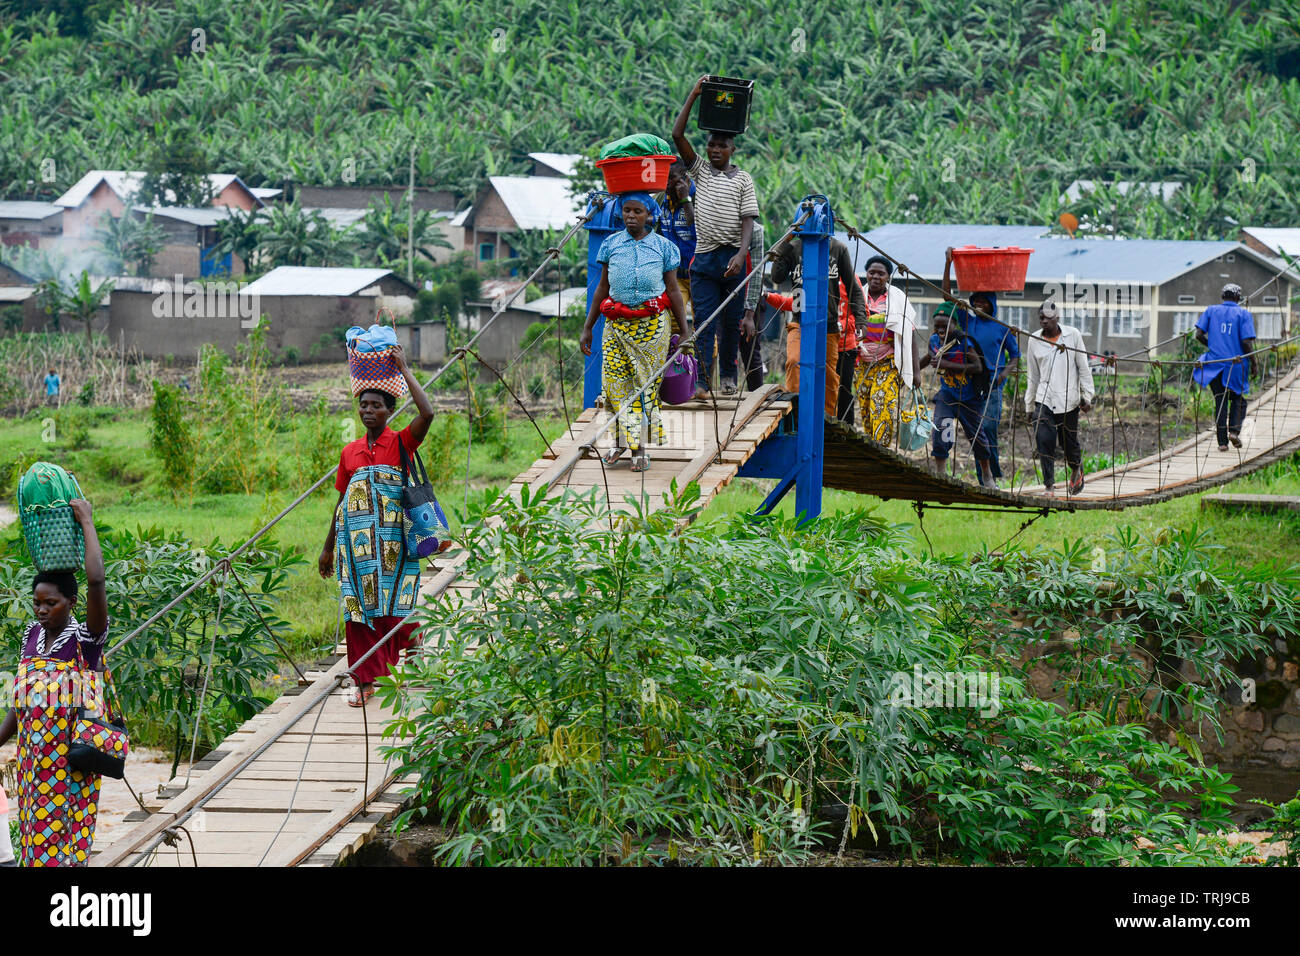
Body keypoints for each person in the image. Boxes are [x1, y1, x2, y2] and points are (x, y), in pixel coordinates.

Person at [319, 344, 435, 708]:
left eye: (376, 406)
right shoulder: (349, 452)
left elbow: (428, 413)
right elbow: (341, 502)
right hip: (355, 550)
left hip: (394, 545)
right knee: (357, 610)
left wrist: (404, 368)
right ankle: (364, 680)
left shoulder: (401, 443)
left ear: (389, 411)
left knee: (393, 605)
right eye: (364, 405)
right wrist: (327, 547)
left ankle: (411, 639)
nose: (368, 411)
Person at [0, 498, 108, 866]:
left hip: (71, 770)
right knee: (33, 851)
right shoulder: (31, 637)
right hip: (32, 768)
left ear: (72, 602)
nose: (42, 610)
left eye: (51, 603)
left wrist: (86, 521)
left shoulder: (86, 641)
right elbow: (21, 704)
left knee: (63, 855)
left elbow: (96, 579)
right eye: (37, 603)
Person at [580, 192, 689, 473]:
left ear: (649, 215)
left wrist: (686, 331)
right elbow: (602, 289)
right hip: (616, 326)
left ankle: (639, 447)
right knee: (615, 386)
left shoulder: (664, 248)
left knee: (643, 387)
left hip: (652, 329)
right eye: (626, 211)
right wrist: (588, 327)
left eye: (637, 211)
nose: (630, 216)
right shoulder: (611, 245)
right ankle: (618, 443)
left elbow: (674, 291)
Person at [672, 75, 760, 396]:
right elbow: (677, 134)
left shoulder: (743, 179)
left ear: (732, 148)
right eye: (711, 144)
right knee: (705, 323)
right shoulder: (700, 171)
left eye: (722, 145)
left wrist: (741, 255)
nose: (715, 149)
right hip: (705, 260)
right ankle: (701, 382)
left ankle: (728, 378)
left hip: (733, 259)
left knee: (732, 324)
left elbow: (748, 219)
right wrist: (694, 93)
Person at [942, 248, 1020, 485]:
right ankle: (985, 478)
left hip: (993, 385)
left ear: (992, 304)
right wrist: (948, 264)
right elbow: (947, 297)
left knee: (988, 428)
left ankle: (991, 476)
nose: (979, 305)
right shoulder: (967, 319)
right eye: (976, 301)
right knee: (976, 430)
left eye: (984, 302)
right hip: (969, 383)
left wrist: (1002, 376)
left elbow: (1015, 356)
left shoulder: (1001, 328)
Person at [769, 235, 865, 417]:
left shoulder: (838, 248)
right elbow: (777, 276)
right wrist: (784, 244)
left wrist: (860, 317)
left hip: (828, 324)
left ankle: (827, 419)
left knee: (828, 376)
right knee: (794, 361)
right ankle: (795, 412)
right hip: (800, 319)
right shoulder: (793, 247)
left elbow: (853, 286)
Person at [1023, 301, 1094, 496]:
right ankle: (1049, 486)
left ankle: (1076, 469)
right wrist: (1030, 406)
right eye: (1041, 318)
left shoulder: (1073, 336)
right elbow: (1033, 375)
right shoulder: (1034, 340)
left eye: (1048, 317)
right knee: (1044, 439)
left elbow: (1084, 368)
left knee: (1068, 443)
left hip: (1069, 399)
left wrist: (1087, 396)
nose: (1044, 320)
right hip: (1044, 398)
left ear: (1058, 318)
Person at [851, 255, 920, 445]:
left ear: (888, 276)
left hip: (888, 362)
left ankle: (882, 449)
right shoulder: (858, 296)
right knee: (865, 408)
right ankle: (872, 447)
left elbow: (909, 334)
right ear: (866, 274)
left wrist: (916, 371)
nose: (875, 277)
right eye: (871, 272)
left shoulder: (897, 298)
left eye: (881, 274)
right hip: (862, 363)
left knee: (881, 404)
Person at [922, 303, 994, 484]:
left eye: (944, 327)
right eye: (937, 326)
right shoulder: (934, 341)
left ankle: (987, 474)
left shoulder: (964, 342)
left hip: (969, 398)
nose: (940, 330)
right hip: (947, 395)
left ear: (954, 325)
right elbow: (928, 357)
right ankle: (941, 474)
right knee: (941, 428)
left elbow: (977, 367)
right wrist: (912, 372)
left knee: (977, 437)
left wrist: (948, 366)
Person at [1193, 283, 1257, 452]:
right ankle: (1234, 432)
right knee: (1238, 400)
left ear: (1223, 297)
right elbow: (1246, 342)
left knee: (1220, 402)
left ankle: (1222, 443)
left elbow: (1198, 335)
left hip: (1214, 365)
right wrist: (1254, 363)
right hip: (1236, 366)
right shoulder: (1243, 313)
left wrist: (1212, 345)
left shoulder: (1211, 310)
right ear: (1238, 298)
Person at [657, 158, 696, 343]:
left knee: (704, 327)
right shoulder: (661, 200)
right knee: (674, 326)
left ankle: (706, 372)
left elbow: (697, 225)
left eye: (671, 178)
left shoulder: (699, 197)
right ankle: (679, 369)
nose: (667, 183)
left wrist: (685, 199)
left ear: (684, 178)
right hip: (675, 275)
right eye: (663, 177)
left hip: (699, 274)